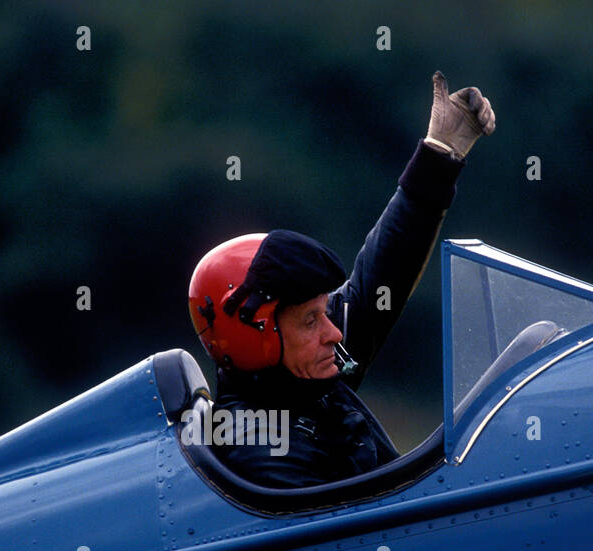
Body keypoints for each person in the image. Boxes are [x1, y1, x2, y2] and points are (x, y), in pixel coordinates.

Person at [186, 72, 495, 488]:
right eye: (311, 320)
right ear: (256, 338)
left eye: (323, 310)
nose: (334, 332)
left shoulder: (295, 380)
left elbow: (381, 278)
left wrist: (441, 153)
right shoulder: (264, 455)